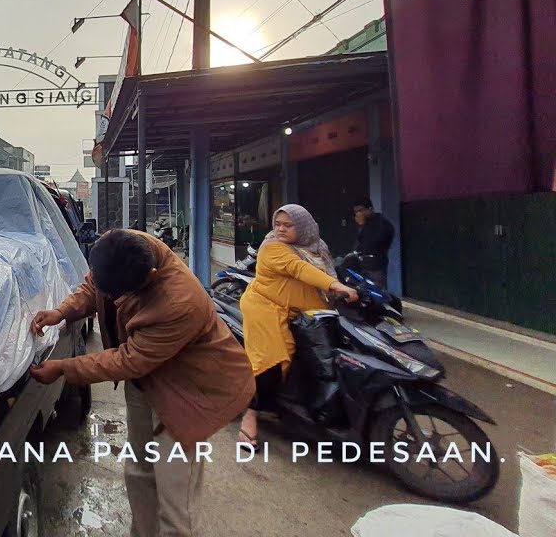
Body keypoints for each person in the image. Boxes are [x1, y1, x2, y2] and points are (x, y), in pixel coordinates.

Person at [29, 230, 255, 537]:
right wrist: (61, 312)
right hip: (144, 382)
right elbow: (92, 288)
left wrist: (64, 368)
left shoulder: (179, 302)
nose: (110, 300)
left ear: (148, 278)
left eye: (119, 295)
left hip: (187, 392)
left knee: (176, 494)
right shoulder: (118, 248)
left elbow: (127, 359)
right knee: (138, 471)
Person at [237, 205, 359, 449]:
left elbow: (327, 268)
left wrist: (347, 285)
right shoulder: (273, 247)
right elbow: (299, 269)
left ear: (303, 227)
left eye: (287, 225)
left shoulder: (316, 246)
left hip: (307, 313)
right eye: (278, 223)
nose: (280, 229)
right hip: (267, 308)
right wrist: (335, 287)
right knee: (273, 362)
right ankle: (250, 418)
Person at [352, 199, 395, 288]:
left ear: (370, 209)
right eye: (356, 212)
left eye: (361, 210)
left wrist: (362, 225)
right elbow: (360, 244)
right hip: (361, 266)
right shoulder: (365, 225)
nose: (359, 214)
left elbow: (372, 245)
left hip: (375, 267)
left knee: (377, 294)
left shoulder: (382, 224)